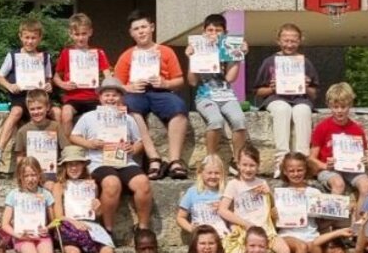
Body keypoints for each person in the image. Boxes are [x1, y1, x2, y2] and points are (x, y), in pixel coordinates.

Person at [69, 78, 153, 234]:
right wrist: (90, 143)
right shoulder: (88, 117)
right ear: (100, 98)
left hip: (124, 161)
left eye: (115, 95)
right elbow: (74, 137)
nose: (111, 99)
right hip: (98, 162)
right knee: (112, 183)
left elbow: (139, 142)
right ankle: (107, 228)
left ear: (121, 98)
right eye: (107, 95)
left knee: (143, 183)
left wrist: (132, 148)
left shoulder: (127, 119)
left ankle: (143, 228)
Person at [115, 11, 188, 180]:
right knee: (130, 109)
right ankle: (154, 158)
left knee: (179, 107)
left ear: (152, 28)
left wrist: (165, 83)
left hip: (161, 92)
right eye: (136, 29)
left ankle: (174, 160)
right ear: (131, 33)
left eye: (144, 27)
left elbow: (179, 80)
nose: (141, 31)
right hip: (136, 93)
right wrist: (129, 86)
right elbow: (116, 84)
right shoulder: (127, 55)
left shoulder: (166, 51)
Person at [252, 23, 319, 174]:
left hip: (300, 99)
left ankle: (303, 160)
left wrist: (305, 85)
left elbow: (314, 93)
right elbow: (258, 91)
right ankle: (281, 161)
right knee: (283, 109)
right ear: (279, 41)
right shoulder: (269, 62)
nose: (289, 44)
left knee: (302, 111)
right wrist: (272, 88)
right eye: (286, 40)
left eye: (293, 41)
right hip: (276, 98)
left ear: (300, 41)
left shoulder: (305, 63)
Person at [0, 20, 57, 171]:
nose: (30, 41)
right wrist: (10, 86)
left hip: (39, 97)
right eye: (27, 37)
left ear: (39, 38)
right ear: (20, 37)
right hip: (20, 96)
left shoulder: (44, 57)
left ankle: (60, 152)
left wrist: (48, 85)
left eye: (33, 38)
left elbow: (48, 79)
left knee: (57, 112)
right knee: (16, 112)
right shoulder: (13, 55)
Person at [187, 14, 247, 165]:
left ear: (224, 33)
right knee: (216, 120)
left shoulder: (227, 48)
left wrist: (237, 56)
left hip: (226, 95)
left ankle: (238, 160)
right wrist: (191, 59)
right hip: (205, 96)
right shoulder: (198, 48)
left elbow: (230, 78)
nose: (213, 34)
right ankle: (211, 159)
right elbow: (192, 82)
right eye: (210, 30)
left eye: (218, 30)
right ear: (204, 32)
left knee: (239, 120)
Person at [53, 12, 112, 144]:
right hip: (73, 97)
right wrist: (63, 84)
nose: (80, 38)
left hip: (94, 97)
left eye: (83, 34)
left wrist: (105, 88)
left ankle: (106, 147)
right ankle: (68, 149)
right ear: (71, 34)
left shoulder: (98, 53)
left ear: (90, 32)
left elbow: (108, 75)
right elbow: (56, 77)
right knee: (66, 114)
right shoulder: (66, 53)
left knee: (108, 115)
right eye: (77, 34)